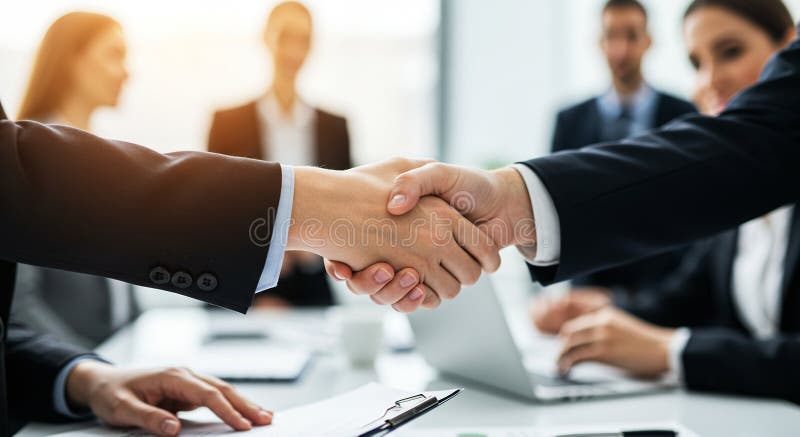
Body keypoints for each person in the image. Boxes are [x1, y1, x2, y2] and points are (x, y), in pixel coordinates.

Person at [526, 0, 800, 403]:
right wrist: (605, 306)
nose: (710, 81)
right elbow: (686, 300)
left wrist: (671, 352)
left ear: (790, 48)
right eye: (696, 63)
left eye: (731, 52)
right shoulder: (732, 201)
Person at [550, 0, 696, 299]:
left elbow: (691, 211)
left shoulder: (684, 115)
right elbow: (559, 212)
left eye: (631, 35)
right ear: (599, 43)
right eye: (611, 36)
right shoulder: (569, 121)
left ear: (648, 41)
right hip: (588, 291)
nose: (621, 50)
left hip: (667, 292)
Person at [11, 12, 140, 349]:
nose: (127, 72)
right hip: (70, 382)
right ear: (72, 61)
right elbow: (18, 302)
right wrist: (93, 373)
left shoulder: (106, 155)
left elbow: (120, 275)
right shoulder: (24, 159)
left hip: (121, 361)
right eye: (114, 55)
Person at [208, 1, 350, 308]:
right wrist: (268, 250)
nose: (294, 50)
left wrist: (310, 243)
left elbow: (346, 211)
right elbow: (212, 212)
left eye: (304, 39)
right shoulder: (227, 123)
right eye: (285, 36)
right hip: (244, 282)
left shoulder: (334, 128)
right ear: (266, 38)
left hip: (312, 287)